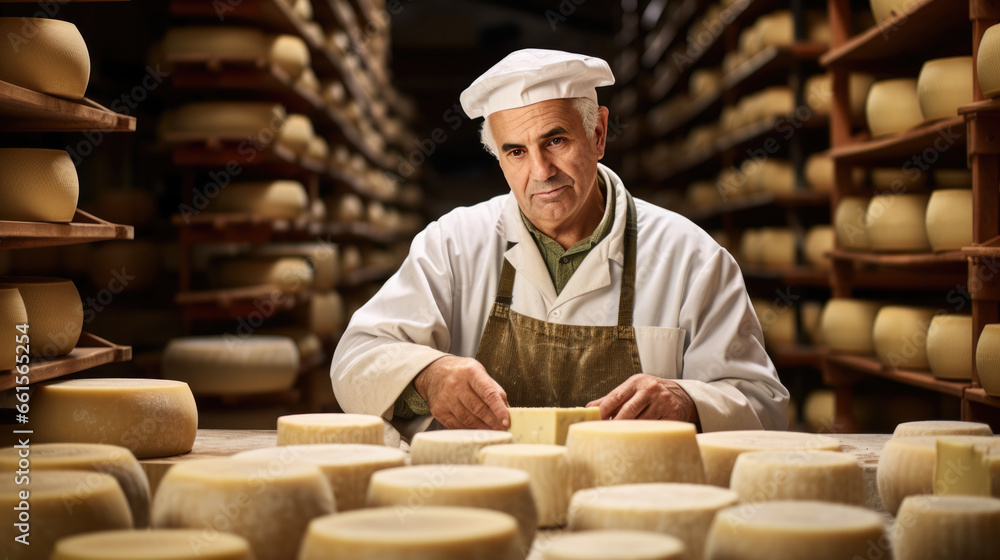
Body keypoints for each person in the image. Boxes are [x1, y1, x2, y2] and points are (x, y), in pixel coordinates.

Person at [331, 49, 788, 438]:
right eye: (516, 151)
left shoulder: (692, 258)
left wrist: (689, 401)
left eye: (556, 140)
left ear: (598, 134)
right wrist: (427, 378)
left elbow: (764, 406)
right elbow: (356, 360)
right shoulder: (452, 245)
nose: (541, 171)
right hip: (486, 505)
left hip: (633, 515)